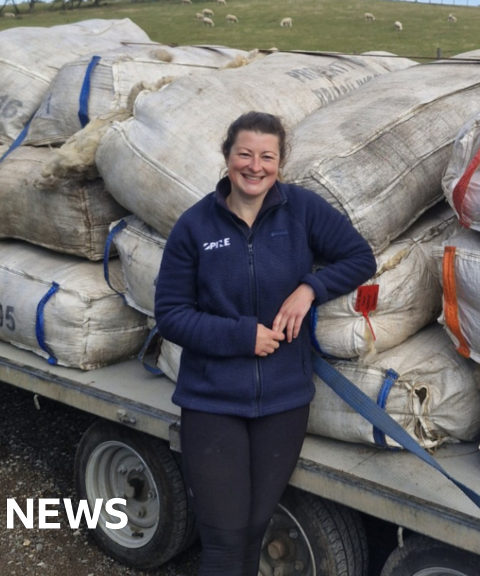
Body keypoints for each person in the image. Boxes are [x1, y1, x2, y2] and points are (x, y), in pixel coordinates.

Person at [154, 111, 376, 576]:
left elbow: (360, 257)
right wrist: (241, 336)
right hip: (212, 401)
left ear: (280, 162)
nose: (255, 166)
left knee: (255, 529)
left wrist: (310, 288)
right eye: (245, 154)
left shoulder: (301, 210)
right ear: (227, 157)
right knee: (223, 539)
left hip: (283, 400)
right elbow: (171, 314)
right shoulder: (195, 227)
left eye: (267, 156)